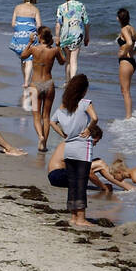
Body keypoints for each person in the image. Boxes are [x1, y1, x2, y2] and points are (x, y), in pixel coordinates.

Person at [49, 73, 98, 229]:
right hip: (83, 147)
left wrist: (63, 134)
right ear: (83, 90)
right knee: (81, 182)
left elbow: (52, 121)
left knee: (72, 183)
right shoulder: (84, 103)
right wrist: (89, 129)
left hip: (69, 148)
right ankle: (81, 218)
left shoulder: (64, 106)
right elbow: (95, 118)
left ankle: (73, 216)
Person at [22, 26, 65, 152]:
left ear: (39, 36)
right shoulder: (54, 50)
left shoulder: (34, 49)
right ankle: (44, 145)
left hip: (35, 84)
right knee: (46, 116)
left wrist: (30, 42)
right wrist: (59, 46)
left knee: (36, 116)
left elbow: (23, 56)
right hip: (48, 83)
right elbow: (63, 62)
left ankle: (40, 136)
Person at [9, 0, 42, 108]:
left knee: (23, 58)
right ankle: (27, 82)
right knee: (30, 59)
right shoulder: (35, 9)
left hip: (19, 35)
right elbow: (39, 25)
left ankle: (25, 80)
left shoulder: (17, 7)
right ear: (34, 0)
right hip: (30, 36)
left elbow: (13, 23)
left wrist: (20, 27)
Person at [54, 0, 89, 81]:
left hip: (65, 35)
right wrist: (87, 36)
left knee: (68, 60)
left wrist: (57, 37)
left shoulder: (61, 7)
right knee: (74, 60)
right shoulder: (81, 5)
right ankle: (72, 82)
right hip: (78, 34)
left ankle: (67, 81)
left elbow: (58, 24)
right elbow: (86, 22)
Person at [116, 7, 136, 119]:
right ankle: (129, 116)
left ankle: (128, 117)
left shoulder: (124, 29)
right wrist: (132, 53)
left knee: (125, 91)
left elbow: (128, 42)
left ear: (118, 18)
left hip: (126, 62)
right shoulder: (131, 28)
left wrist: (124, 52)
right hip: (131, 61)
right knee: (125, 90)